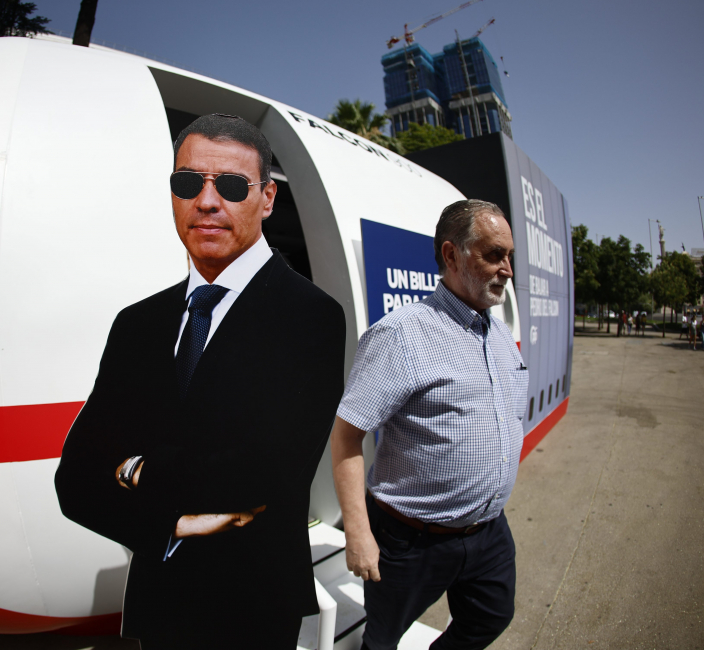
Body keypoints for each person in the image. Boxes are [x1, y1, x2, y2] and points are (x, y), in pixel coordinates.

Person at [55, 114, 346, 649]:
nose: (207, 202)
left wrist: (132, 467)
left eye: (232, 186)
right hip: (157, 604)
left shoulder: (312, 317)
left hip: (252, 611)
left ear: (268, 199)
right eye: (188, 183)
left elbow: (265, 475)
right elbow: (74, 480)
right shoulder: (137, 324)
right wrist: (179, 522)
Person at [331, 200, 528, 650]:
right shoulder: (402, 335)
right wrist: (358, 533)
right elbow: (346, 436)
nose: (508, 269)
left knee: (490, 617)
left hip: (488, 530)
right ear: (452, 255)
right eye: (494, 255)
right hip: (410, 540)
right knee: (381, 641)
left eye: (509, 256)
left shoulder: (497, 333)